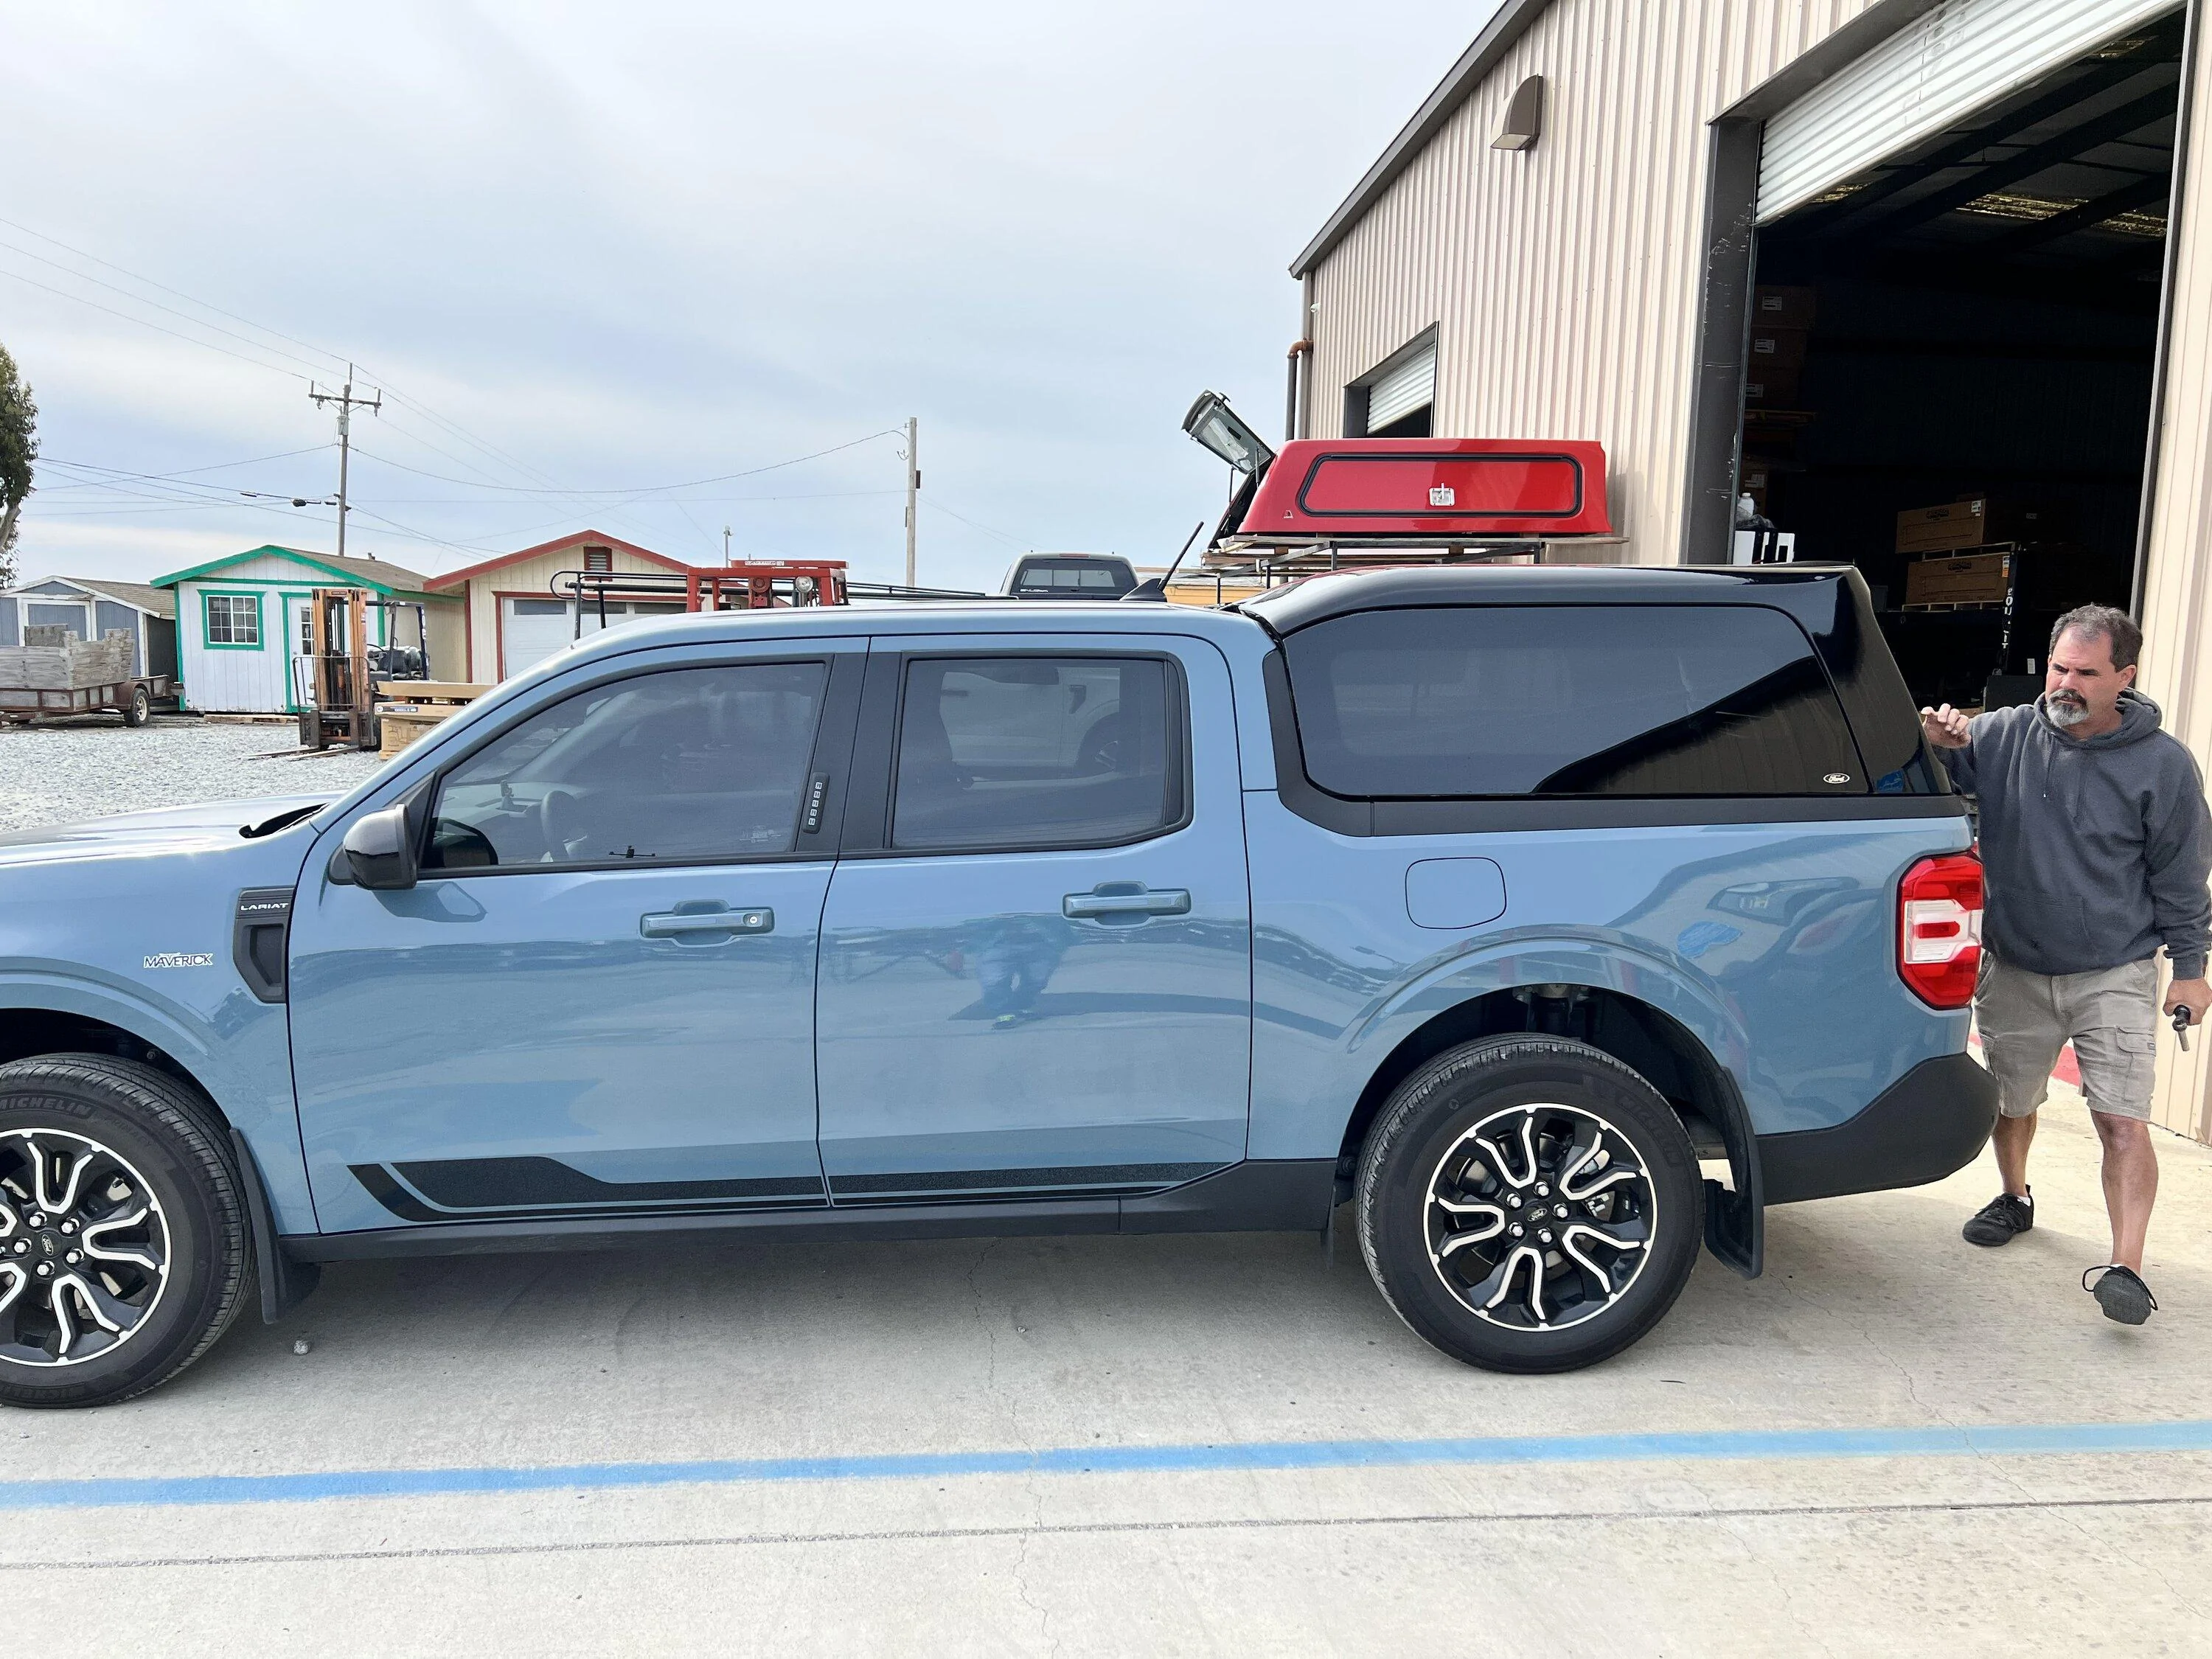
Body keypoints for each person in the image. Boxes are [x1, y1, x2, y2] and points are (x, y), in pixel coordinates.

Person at [1921, 605, 2212, 1324]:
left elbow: (2182, 875)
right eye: (2058, 667)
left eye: (2085, 672)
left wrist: (2191, 967)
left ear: (2125, 677)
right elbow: (1929, 765)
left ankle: (2127, 1268)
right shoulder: (2006, 734)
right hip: (2015, 963)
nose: (2066, 684)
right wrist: (1934, 737)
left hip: (2113, 968)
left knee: (2121, 1121)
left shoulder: (2164, 766)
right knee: (2013, 1104)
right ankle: (2015, 1198)